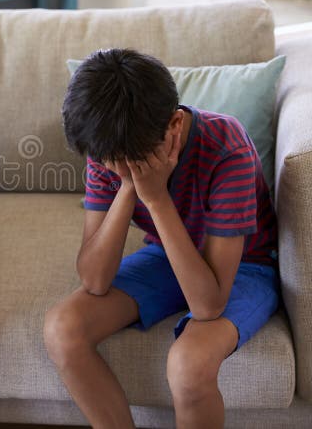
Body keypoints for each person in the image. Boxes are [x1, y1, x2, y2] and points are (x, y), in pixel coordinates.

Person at [44, 49, 279, 429]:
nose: (119, 168)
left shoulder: (227, 148)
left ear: (174, 124)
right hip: (164, 256)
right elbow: (94, 280)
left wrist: (155, 197)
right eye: (110, 163)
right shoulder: (110, 147)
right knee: (62, 328)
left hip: (245, 266)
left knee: (188, 364)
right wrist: (127, 188)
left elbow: (207, 305)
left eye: (131, 161)